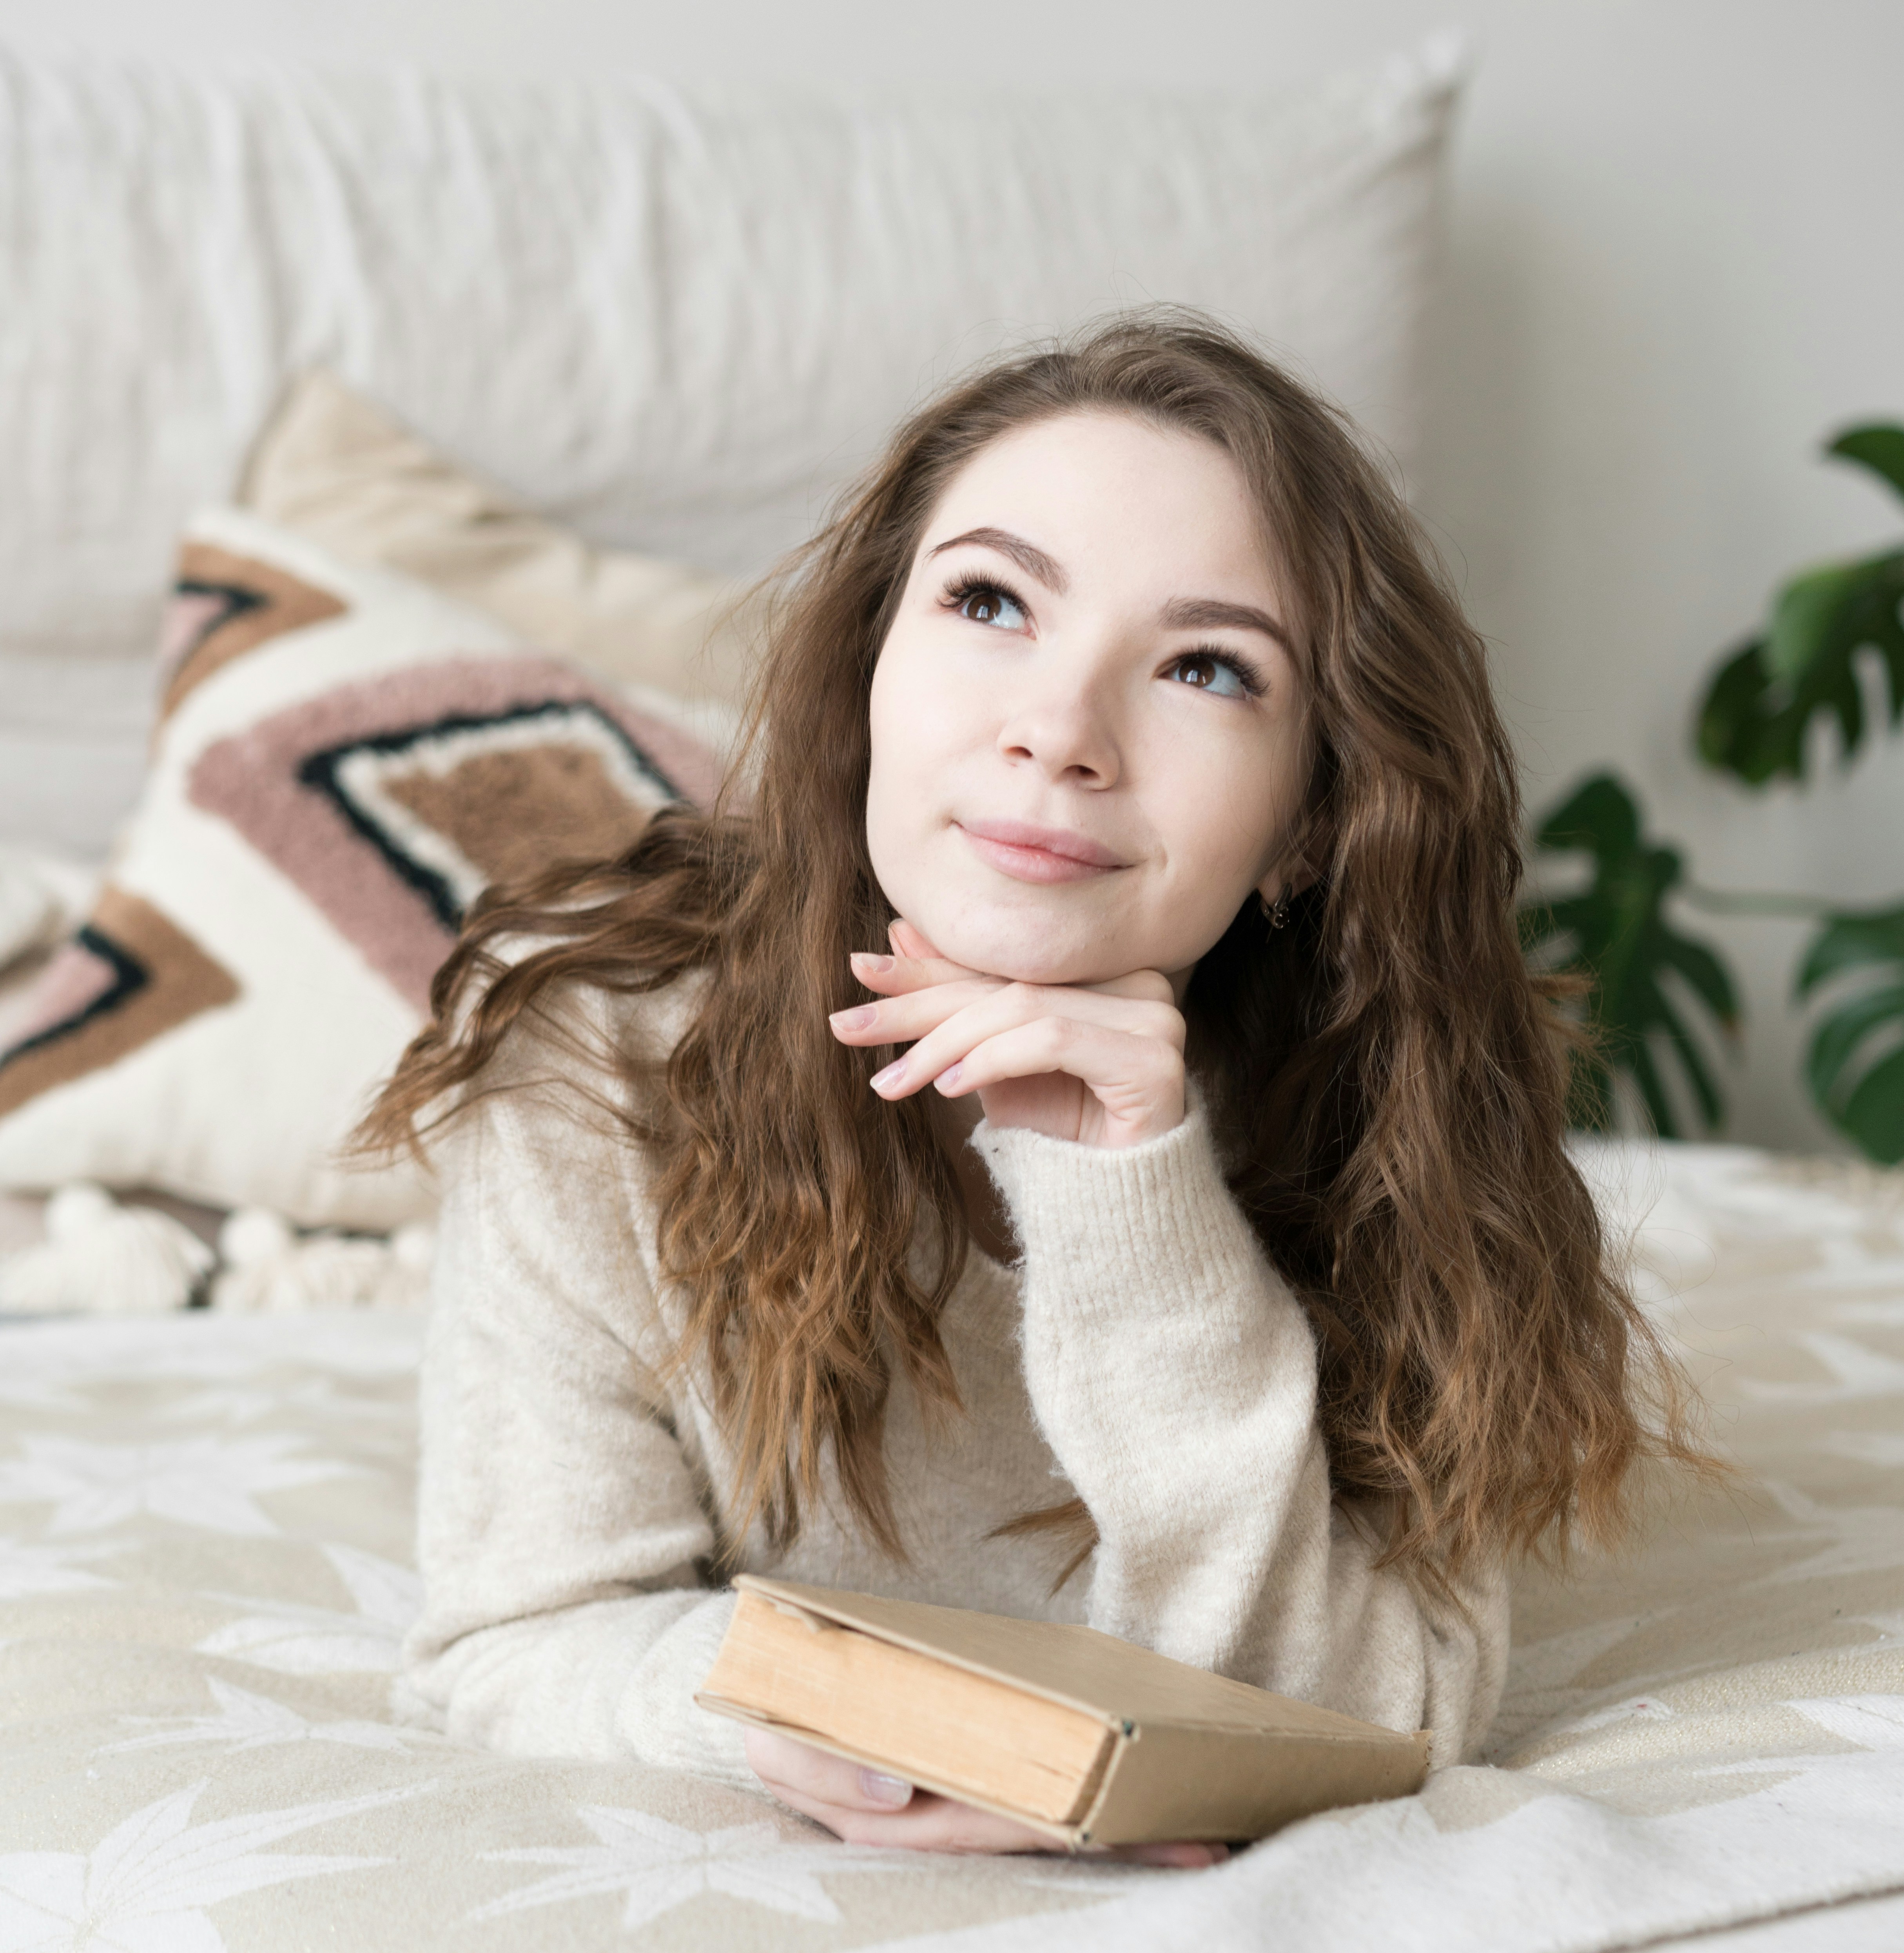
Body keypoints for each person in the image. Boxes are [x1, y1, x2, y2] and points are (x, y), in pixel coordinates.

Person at [364, 314, 1668, 1868]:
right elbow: (519, 1635)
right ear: (863, 673)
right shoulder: (608, 1064)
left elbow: (1377, 1715)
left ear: (1313, 814)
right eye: (991, 599)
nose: (1058, 731)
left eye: (1205, 666)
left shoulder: (1388, 1117)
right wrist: (801, 1729)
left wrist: (1135, 1193)